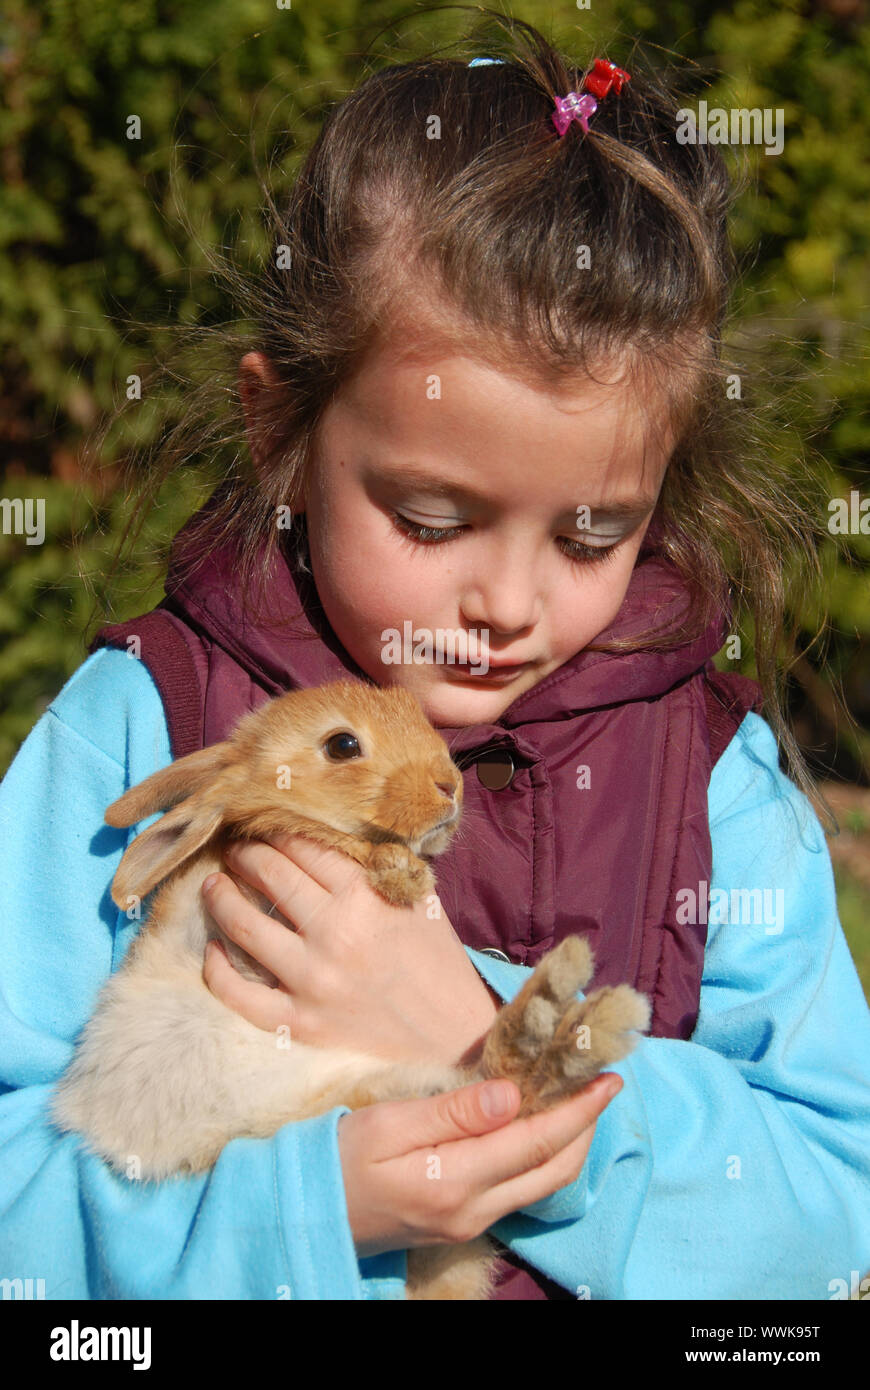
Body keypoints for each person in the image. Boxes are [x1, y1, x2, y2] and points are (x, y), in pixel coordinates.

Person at [1, 15, 869, 1301]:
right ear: (278, 432)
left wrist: (486, 1046)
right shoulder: (138, 721)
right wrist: (309, 1208)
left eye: (593, 532)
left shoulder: (713, 771)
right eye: (429, 519)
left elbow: (829, 1209)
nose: (506, 603)